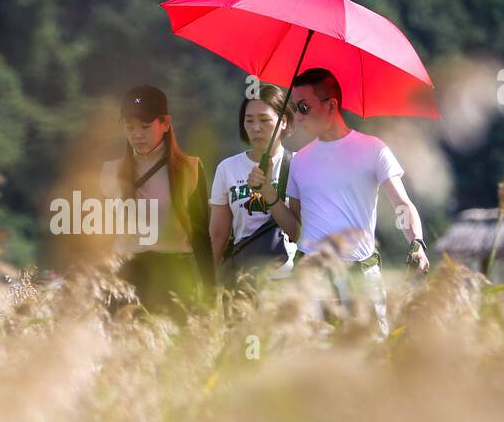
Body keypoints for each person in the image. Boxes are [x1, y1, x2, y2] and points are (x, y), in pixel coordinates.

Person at [247, 67, 429, 336]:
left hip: (361, 276)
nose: (296, 116)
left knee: (370, 355)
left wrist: (417, 242)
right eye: (294, 107)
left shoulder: (373, 149)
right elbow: (295, 230)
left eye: (303, 107)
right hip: (312, 278)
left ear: (331, 105)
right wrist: (270, 196)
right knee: (310, 362)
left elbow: (402, 203)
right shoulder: (298, 162)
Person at [100, 85, 214, 315]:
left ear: (165, 124)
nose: (137, 135)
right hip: (125, 278)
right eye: (129, 127)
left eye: (145, 126)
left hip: (174, 278)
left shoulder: (190, 169)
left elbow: (201, 235)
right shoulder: (110, 171)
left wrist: (210, 291)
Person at [209, 83, 298, 286]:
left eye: (265, 120)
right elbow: (218, 234)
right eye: (249, 121)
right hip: (241, 280)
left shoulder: (298, 166)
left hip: (287, 282)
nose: (255, 128)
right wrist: (209, 282)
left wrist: (268, 192)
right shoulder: (227, 168)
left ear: (283, 121)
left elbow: (298, 233)